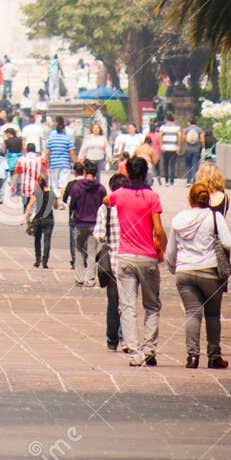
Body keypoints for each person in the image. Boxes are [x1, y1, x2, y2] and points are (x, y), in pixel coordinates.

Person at [166, 183, 231, 368]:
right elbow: (228, 242)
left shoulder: (179, 218)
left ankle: (193, 356)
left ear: (190, 198)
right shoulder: (215, 216)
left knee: (192, 314)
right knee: (212, 315)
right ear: (207, 200)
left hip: (185, 271)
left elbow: (170, 250)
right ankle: (214, 356)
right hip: (209, 271)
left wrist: (173, 267)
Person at [109, 154, 165, 367]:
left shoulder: (119, 195)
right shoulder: (152, 197)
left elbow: (107, 200)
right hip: (147, 256)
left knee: (127, 305)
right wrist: (163, 247)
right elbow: (158, 230)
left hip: (125, 256)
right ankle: (148, 348)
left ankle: (133, 349)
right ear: (145, 173)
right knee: (151, 304)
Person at [92, 170, 126, 351]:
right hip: (130, 260)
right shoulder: (130, 207)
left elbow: (98, 235)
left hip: (112, 263)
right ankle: (127, 339)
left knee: (113, 303)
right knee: (128, 303)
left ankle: (112, 341)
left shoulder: (105, 208)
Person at [63, 160, 108, 285]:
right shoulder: (101, 188)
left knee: (78, 250)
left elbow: (71, 205)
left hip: (80, 222)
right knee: (92, 252)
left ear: (84, 172)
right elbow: (104, 205)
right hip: (94, 223)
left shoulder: (76, 187)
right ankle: (90, 279)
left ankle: (79, 278)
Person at [23, 161, 55, 270]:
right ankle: (45, 262)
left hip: (38, 219)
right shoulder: (51, 193)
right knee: (47, 240)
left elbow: (30, 205)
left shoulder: (36, 192)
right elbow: (55, 206)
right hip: (49, 219)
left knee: (37, 239)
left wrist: (24, 216)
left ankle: (37, 260)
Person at [45, 118, 75, 192]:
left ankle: (56, 200)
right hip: (65, 164)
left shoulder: (51, 139)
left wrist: (46, 163)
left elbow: (47, 153)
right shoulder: (68, 139)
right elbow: (72, 153)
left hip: (54, 164)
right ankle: (62, 199)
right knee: (63, 184)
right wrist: (75, 163)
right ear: (63, 130)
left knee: (54, 184)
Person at [159, 112, 181, 184]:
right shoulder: (177, 127)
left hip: (165, 148)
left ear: (166, 120)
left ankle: (166, 180)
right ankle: (172, 180)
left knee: (165, 164)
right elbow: (179, 136)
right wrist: (178, 146)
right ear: (173, 120)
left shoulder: (163, 127)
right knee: (172, 165)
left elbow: (160, 136)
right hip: (174, 148)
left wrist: (161, 145)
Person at [182, 119, 203, 186]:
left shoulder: (186, 130)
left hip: (188, 149)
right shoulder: (199, 130)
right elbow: (202, 140)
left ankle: (188, 181)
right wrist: (202, 147)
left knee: (188, 165)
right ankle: (194, 180)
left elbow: (183, 139)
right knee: (195, 165)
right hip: (196, 149)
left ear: (189, 122)